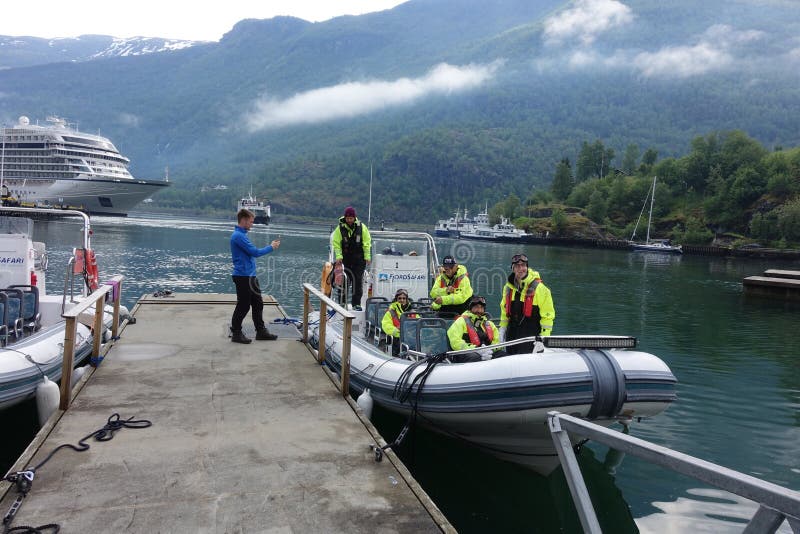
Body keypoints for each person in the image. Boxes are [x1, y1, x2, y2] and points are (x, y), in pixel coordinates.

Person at [230, 208, 281, 344]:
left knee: (258, 304)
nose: (252, 224)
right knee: (243, 305)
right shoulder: (238, 236)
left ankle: (261, 331)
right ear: (244, 220)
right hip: (243, 276)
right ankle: (236, 332)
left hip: (250, 276)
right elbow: (255, 252)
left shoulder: (242, 235)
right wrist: (271, 247)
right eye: (251, 222)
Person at [498, 253, 555, 354]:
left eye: (523, 265)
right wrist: (502, 328)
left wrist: (543, 338)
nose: (521, 269)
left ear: (527, 267)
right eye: (517, 266)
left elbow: (548, 316)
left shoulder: (541, 289)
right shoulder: (507, 288)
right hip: (512, 332)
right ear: (512, 269)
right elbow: (504, 310)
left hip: (531, 335)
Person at [332, 206, 371, 311]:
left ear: (354, 218)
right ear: (345, 218)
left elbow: (367, 243)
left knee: (358, 282)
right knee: (344, 281)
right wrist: (339, 256)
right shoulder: (339, 229)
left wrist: (367, 257)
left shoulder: (362, 228)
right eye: (348, 218)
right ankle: (342, 303)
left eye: (351, 218)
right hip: (346, 260)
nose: (349, 220)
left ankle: (356, 304)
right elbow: (336, 244)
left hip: (359, 260)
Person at [446, 295, 500, 362]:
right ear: (470, 308)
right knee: (476, 358)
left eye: (481, 308)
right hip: (465, 353)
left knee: (503, 356)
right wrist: (476, 349)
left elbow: (497, 341)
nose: (479, 310)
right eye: (476, 307)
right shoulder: (461, 321)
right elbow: (455, 342)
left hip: (488, 352)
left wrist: (490, 350)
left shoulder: (490, 324)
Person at [381, 288, 416, 356]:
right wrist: (397, 330)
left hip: (411, 338)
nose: (402, 300)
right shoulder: (390, 312)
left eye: (404, 298)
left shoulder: (413, 312)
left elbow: (418, 323)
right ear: (396, 299)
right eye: (399, 298)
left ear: (407, 299)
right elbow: (385, 325)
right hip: (396, 339)